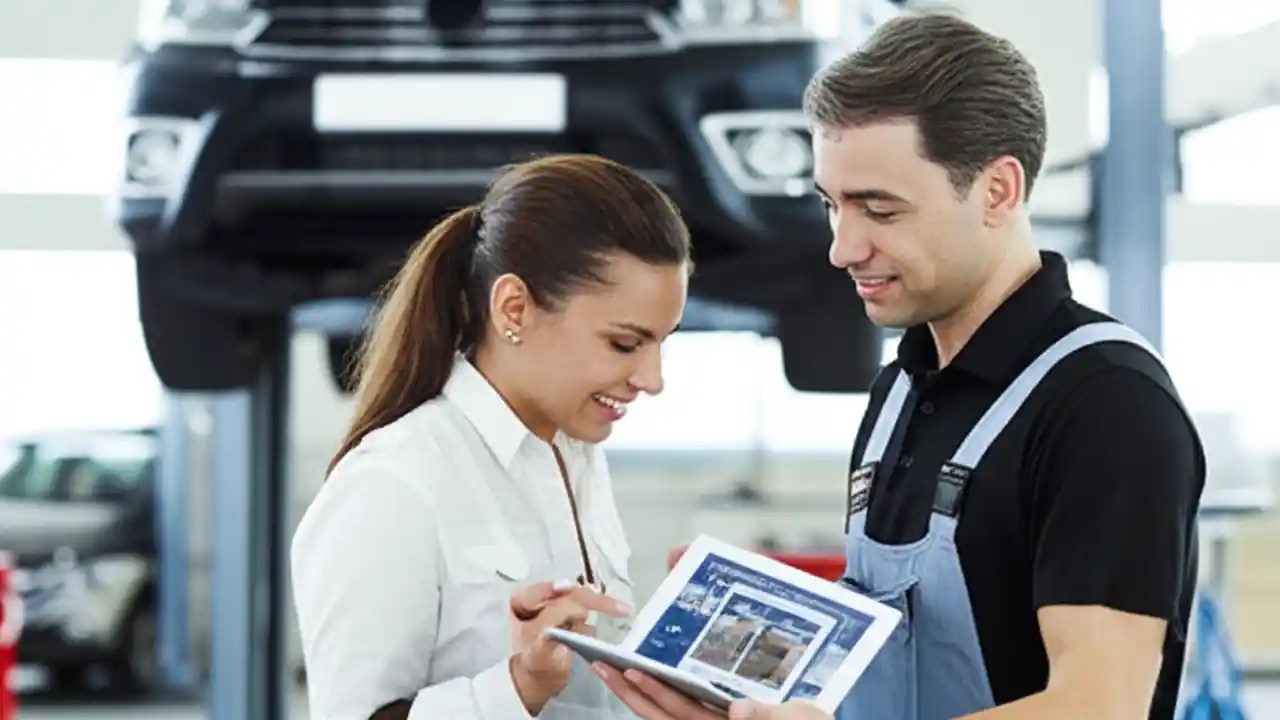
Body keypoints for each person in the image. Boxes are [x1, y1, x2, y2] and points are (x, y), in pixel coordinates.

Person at [597, 11, 1205, 720]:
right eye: (831, 205)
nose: (841, 248)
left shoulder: (1106, 404)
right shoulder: (900, 392)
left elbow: (1099, 707)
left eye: (878, 211)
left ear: (998, 191)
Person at [290, 153, 694, 720]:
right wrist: (517, 687)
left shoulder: (575, 456)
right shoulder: (391, 485)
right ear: (514, 309)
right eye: (625, 344)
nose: (652, 380)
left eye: (662, 343)